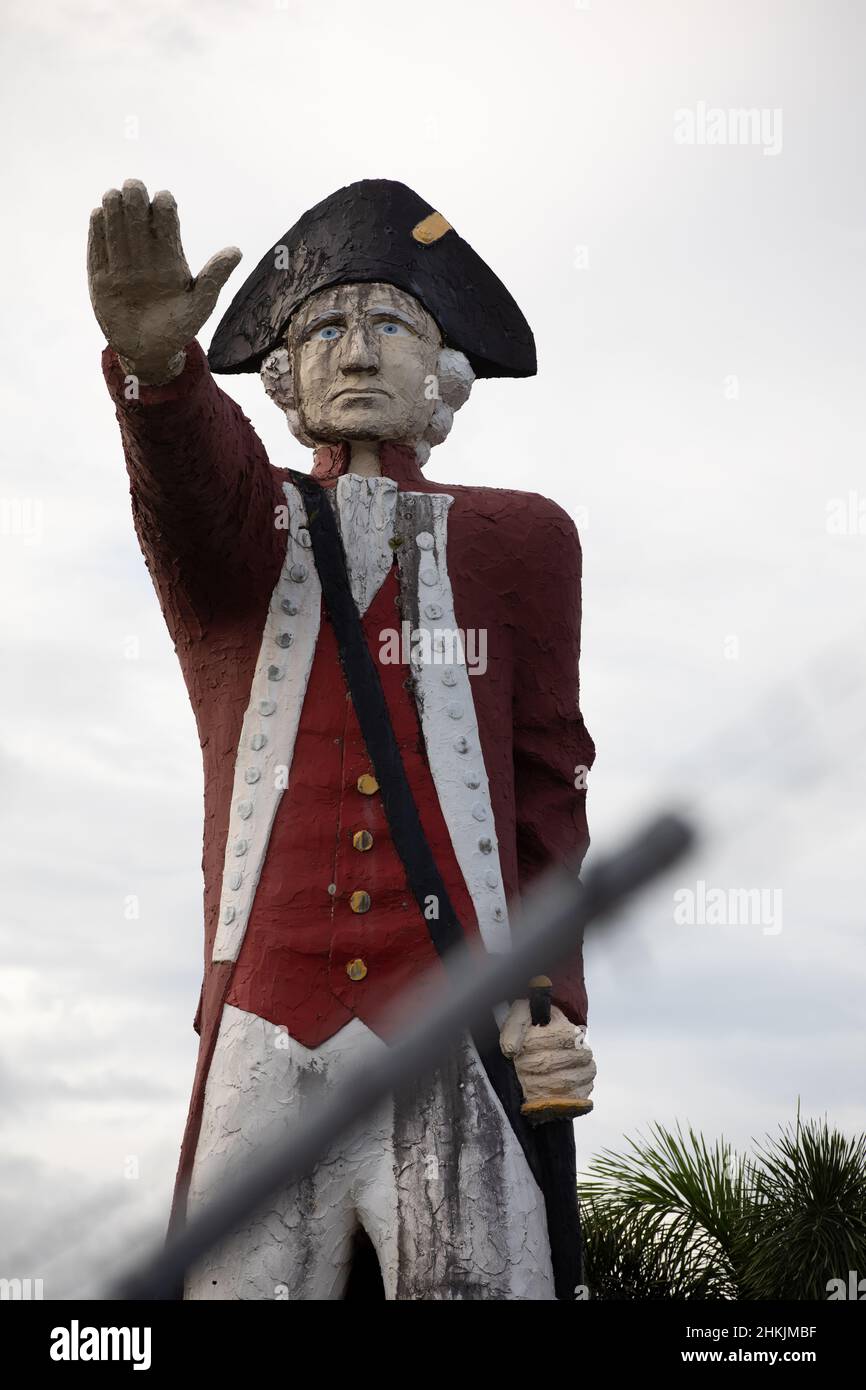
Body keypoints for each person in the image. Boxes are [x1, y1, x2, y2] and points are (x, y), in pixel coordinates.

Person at [89, 178, 597, 1300]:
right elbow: (185, 488)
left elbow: (544, 790)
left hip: (450, 1013)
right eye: (324, 325)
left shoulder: (523, 540)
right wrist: (159, 382)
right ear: (281, 376)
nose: (357, 350)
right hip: (265, 1013)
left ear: (441, 371)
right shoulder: (245, 531)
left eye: (390, 326)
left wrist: (550, 1001)